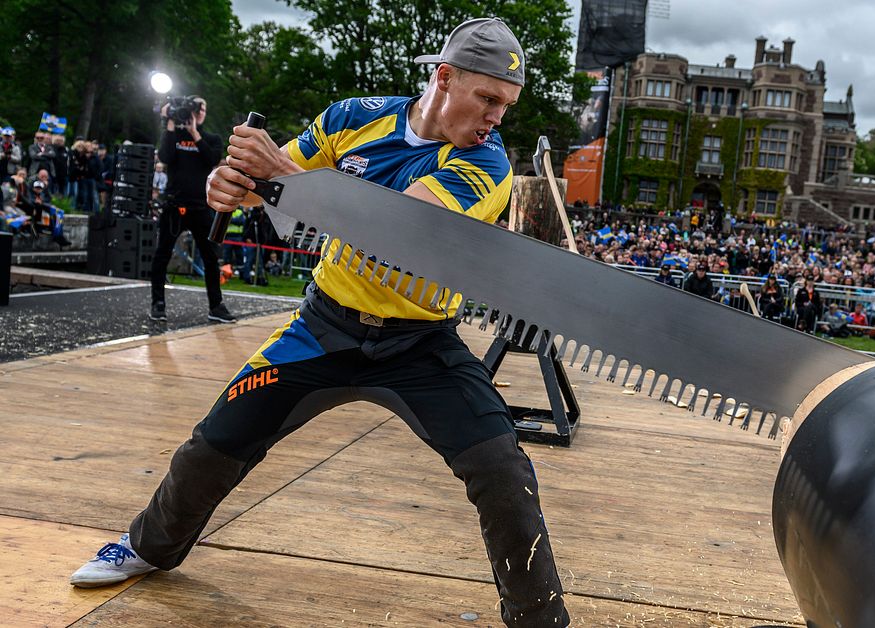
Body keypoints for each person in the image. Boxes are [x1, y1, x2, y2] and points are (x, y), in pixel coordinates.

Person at [70, 17, 569, 627]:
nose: (496, 117)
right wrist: (229, 182)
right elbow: (268, 186)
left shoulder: (486, 165)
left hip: (421, 344)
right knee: (215, 441)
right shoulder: (350, 117)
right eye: (487, 98)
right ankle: (150, 548)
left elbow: (392, 229)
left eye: (506, 106)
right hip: (323, 326)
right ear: (444, 76)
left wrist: (277, 176)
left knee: (502, 468)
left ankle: (540, 619)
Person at [147, 96, 236, 323]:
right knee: (162, 254)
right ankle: (158, 304)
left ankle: (216, 306)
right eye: (194, 107)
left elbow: (212, 159)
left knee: (210, 257)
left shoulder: (210, 138)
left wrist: (195, 132)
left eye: (201, 108)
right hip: (174, 204)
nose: (197, 112)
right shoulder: (174, 135)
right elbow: (165, 156)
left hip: (201, 206)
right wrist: (168, 121)